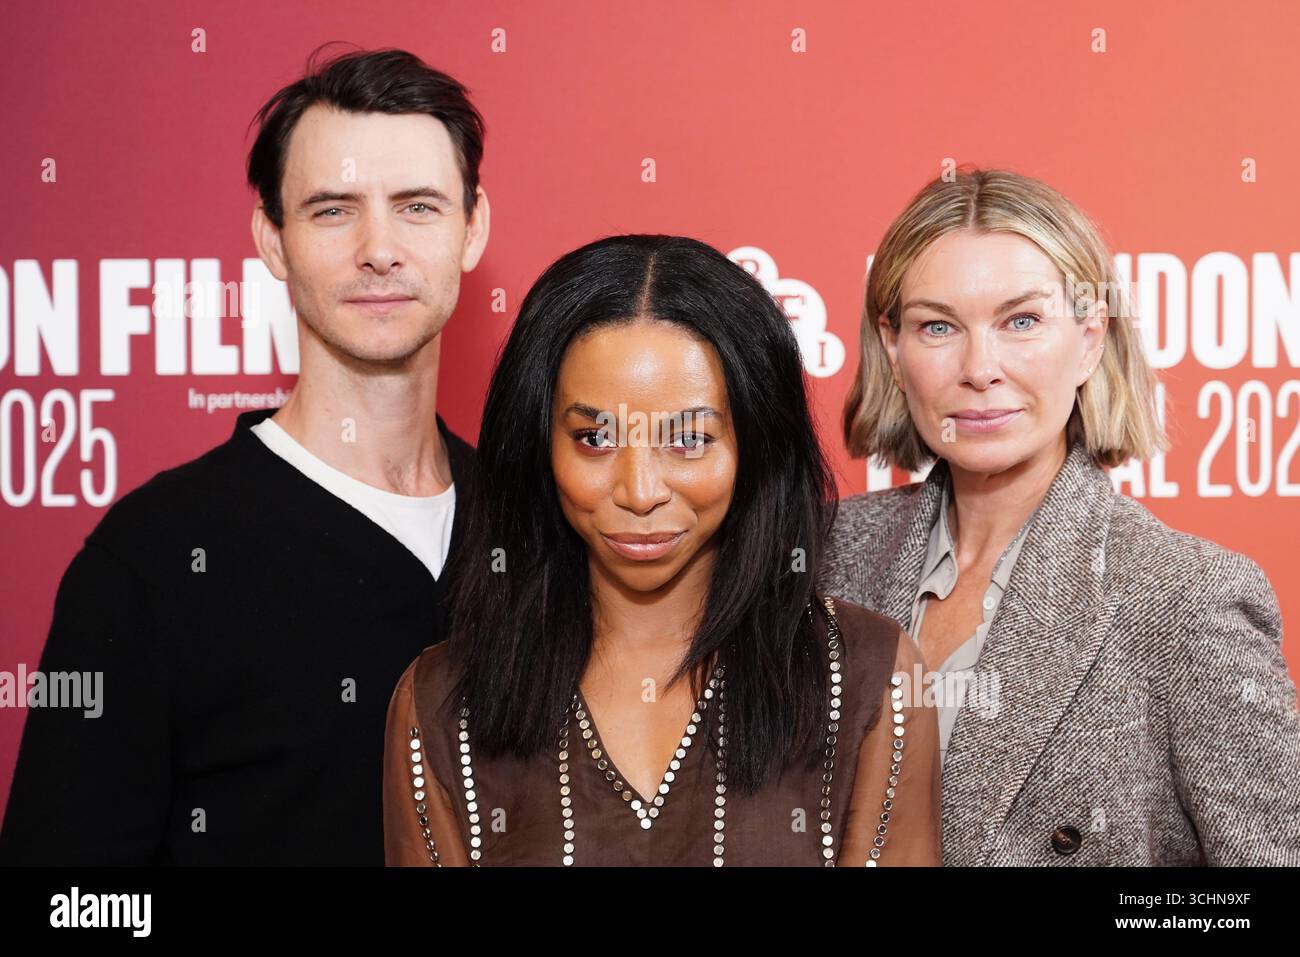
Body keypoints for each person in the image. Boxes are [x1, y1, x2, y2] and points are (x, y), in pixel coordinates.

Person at [0, 46, 490, 865]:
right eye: (334, 210)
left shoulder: (538, 526)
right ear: (272, 238)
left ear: (474, 228)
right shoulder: (152, 558)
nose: (379, 247)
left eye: (418, 206)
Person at [382, 234, 941, 866]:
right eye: (594, 437)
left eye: (689, 439)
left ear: (755, 445)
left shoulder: (866, 677)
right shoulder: (441, 702)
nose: (640, 492)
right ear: (539, 447)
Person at [819, 166, 1300, 865]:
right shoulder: (829, 550)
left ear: (1089, 338)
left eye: (1022, 321)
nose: (980, 368)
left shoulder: (1185, 597)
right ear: (892, 347)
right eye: (938, 326)